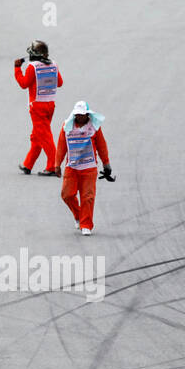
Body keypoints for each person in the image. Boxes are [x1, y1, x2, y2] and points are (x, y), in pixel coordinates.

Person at [53, 101, 113, 236]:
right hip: (72, 168)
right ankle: (78, 215)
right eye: (78, 115)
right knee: (67, 195)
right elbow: (61, 146)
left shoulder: (94, 128)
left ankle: (86, 225)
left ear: (87, 114)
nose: (80, 117)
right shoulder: (67, 127)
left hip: (89, 168)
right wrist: (57, 164)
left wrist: (106, 163)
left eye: (83, 114)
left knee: (88, 197)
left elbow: (102, 146)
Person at [13, 40, 63, 175]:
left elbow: (24, 84)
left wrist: (17, 69)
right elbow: (60, 83)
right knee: (37, 136)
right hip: (50, 105)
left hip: (37, 107)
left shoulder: (32, 67)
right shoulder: (53, 64)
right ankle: (28, 165)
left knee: (45, 137)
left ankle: (53, 166)